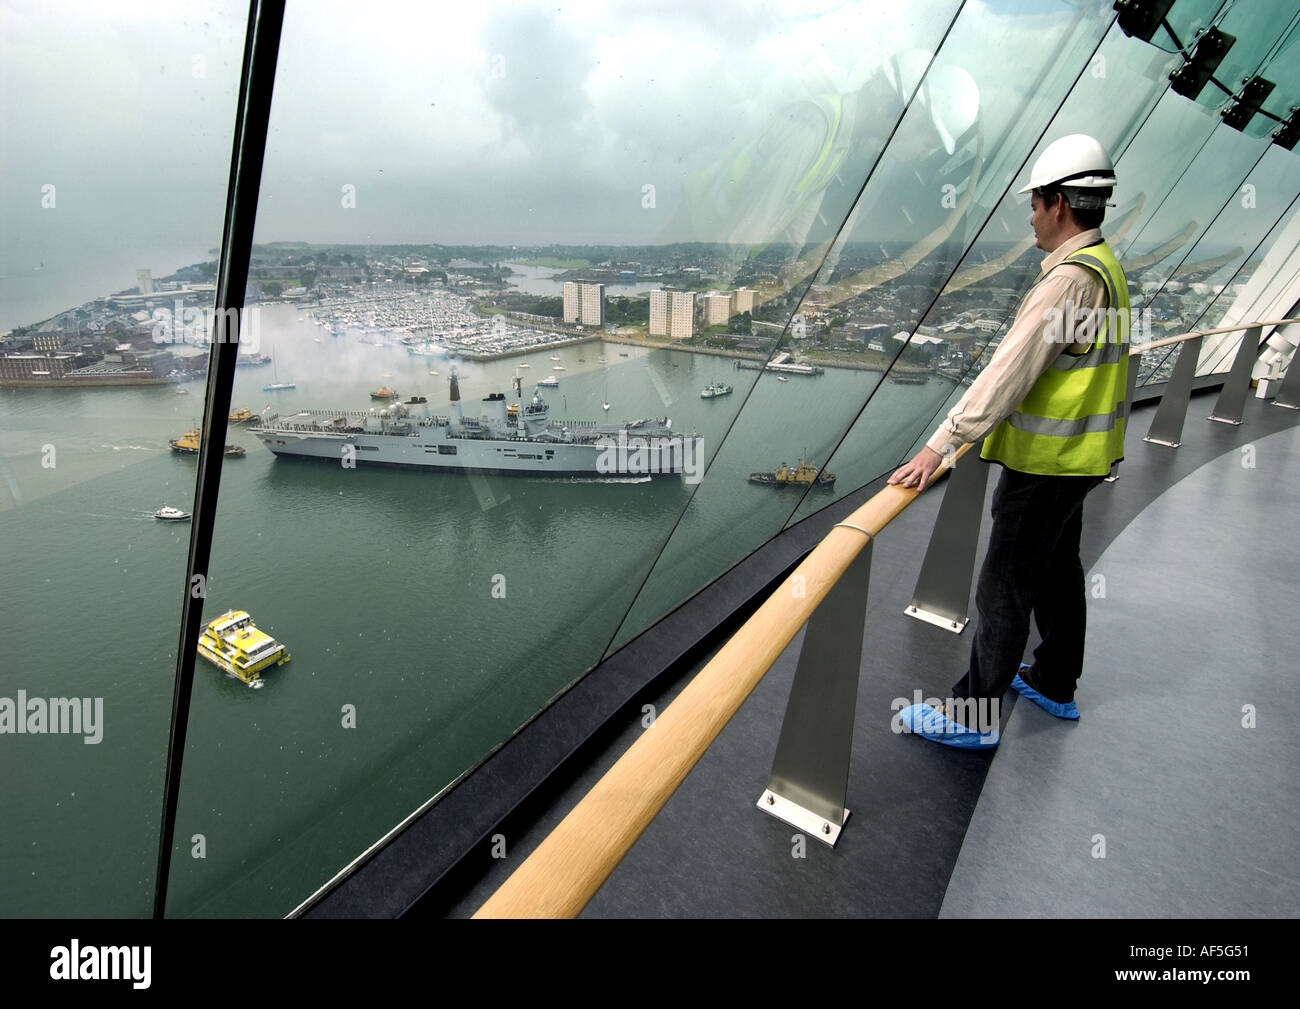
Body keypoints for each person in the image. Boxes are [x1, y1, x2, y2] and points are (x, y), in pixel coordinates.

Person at [889, 134, 1131, 749]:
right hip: (1079, 460)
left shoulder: (1067, 283)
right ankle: (1054, 681)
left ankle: (973, 718)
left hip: (1045, 465)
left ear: (1057, 203)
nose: (1029, 217)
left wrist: (938, 446)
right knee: (1054, 573)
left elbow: (1007, 376)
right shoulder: (1107, 268)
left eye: (1033, 204)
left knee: (1003, 587)